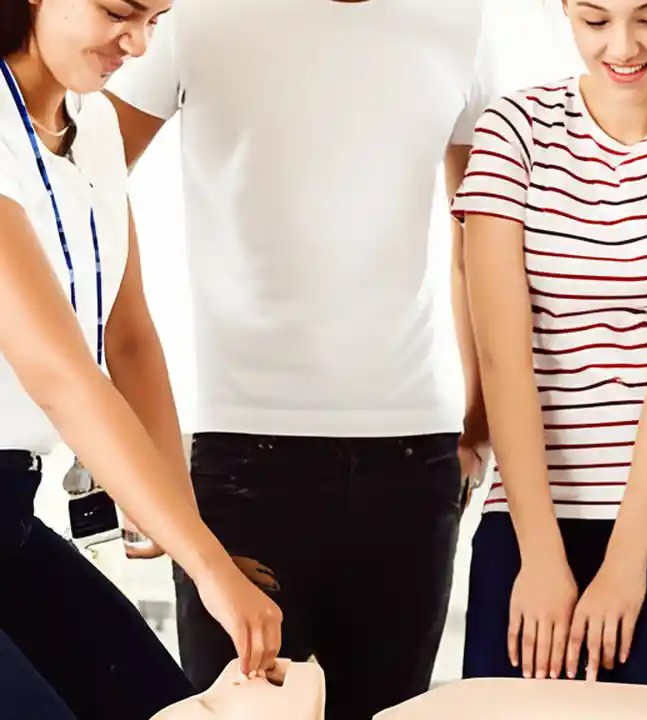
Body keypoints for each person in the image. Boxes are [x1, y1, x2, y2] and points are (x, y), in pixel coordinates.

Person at [102, 1, 495, 717]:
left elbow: (481, 237)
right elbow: (84, 182)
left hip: (413, 461)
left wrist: (480, 417)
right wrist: (124, 433)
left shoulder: (459, 21)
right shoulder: (194, 16)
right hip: (243, 461)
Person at [453, 0, 647, 689]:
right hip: (533, 507)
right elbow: (503, 355)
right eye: (595, 21)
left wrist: (627, 563)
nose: (622, 47)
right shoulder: (513, 128)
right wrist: (541, 557)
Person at [0, 1, 282, 718]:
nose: (140, 44)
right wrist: (208, 567)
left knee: (157, 702)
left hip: (10, 511)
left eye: (156, 18)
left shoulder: (93, 124)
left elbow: (128, 338)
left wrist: (189, 540)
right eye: (119, 12)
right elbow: (60, 374)